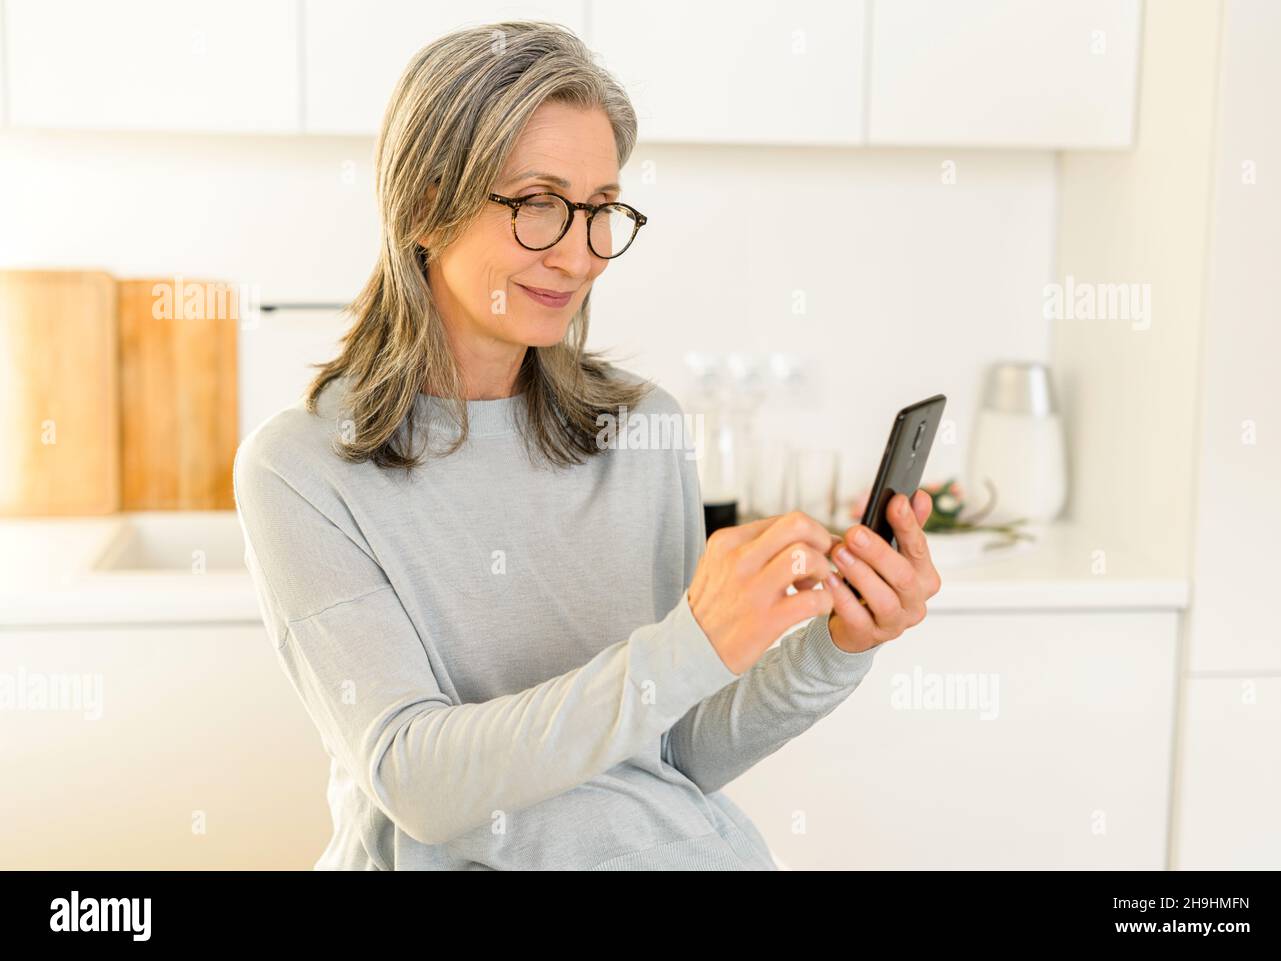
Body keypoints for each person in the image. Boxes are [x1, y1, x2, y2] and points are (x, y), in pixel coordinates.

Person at [233, 20, 941, 871]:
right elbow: (415, 778)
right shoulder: (303, 469)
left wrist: (838, 643)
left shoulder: (642, 429)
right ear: (424, 203)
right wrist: (692, 643)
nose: (578, 255)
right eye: (538, 204)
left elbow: (674, 753)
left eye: (601, 210)